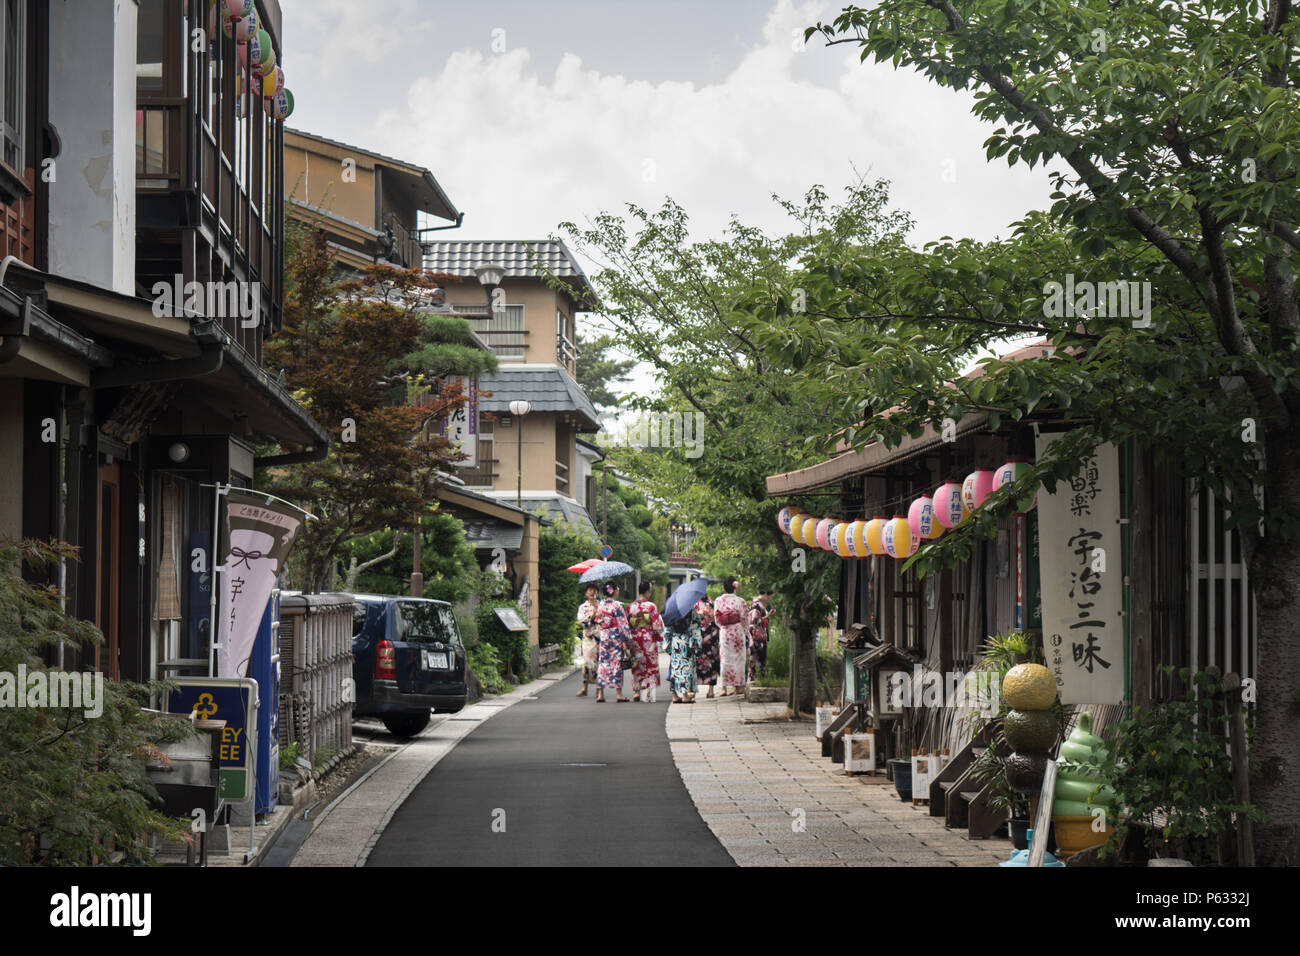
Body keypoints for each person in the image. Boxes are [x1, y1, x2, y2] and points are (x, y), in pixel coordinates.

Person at [626, 581, 664, 702]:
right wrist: (659, 635)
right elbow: (657, 626)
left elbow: (626, 624)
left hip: (635, 638)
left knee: (637, 664)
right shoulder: (651, 606)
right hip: (648, 638)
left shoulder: (631, 606)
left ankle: (637, 692)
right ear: (647, 591)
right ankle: (649, 692)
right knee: (650, 665)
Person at [594, 582, 631, 703]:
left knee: (603, 664)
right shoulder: (617, 605)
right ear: (613, 591)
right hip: (615, 637)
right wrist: (625, 641)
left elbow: (598, 620)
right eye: (617, 588)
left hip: (604, 636)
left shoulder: (601, 604)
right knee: (616, 664)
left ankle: (600, 694)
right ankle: (619, 694)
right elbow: (622, 624)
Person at [713, 577, 749, 697]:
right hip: (737, 630)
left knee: (725, 659)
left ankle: (724, 688)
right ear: (735, 587)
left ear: (724, 587)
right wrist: (745, 631)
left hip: (725, 632)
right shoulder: (741, 601)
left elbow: (717, 619)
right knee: (739, 659)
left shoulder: (718, 600)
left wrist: (723, 627)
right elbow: (744, 619)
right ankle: (739, 687)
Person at [667, 606, 702, 703]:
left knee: (675, 668)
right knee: (686, 668)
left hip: (676, 641)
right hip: (687, 641)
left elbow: (667, 629)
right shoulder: (691, 611)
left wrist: (668, 646)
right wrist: (697, 644)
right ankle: (685, 696)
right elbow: (696, 627)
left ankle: (674, 695)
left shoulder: (672, 611)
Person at [575, 582, 601, 697]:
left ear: (598, 592)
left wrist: (597, 611)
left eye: (594, 590)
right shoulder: (583, 607)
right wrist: (593, 614)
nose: (592, 592)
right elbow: (583, 623)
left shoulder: (602, 605)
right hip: (588, 639)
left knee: (599, 664)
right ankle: (584, 687)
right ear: (586, 593)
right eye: (590, 590)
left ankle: (598, 689)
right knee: (586, 663)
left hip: (600, 639)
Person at [694, 597, 720, 698]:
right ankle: (694, 690)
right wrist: (699, 614)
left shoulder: (712, 603)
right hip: (699, 636)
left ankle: (711, 690)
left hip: (712, 635)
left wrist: (710, 614)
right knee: (697, 663)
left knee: (713, 662)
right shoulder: (694, 604)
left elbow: (718, 618)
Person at [747, 587, 773, 685]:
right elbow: (755, 620)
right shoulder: (756, 605)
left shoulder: (758, 604)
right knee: (757, 657)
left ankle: (756, 678)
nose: (770, 599)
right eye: (770, 597)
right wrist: (767, 616)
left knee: (757, 657)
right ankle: (755, 678)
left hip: (759, 634)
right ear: (766, 595)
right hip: (757, 635)